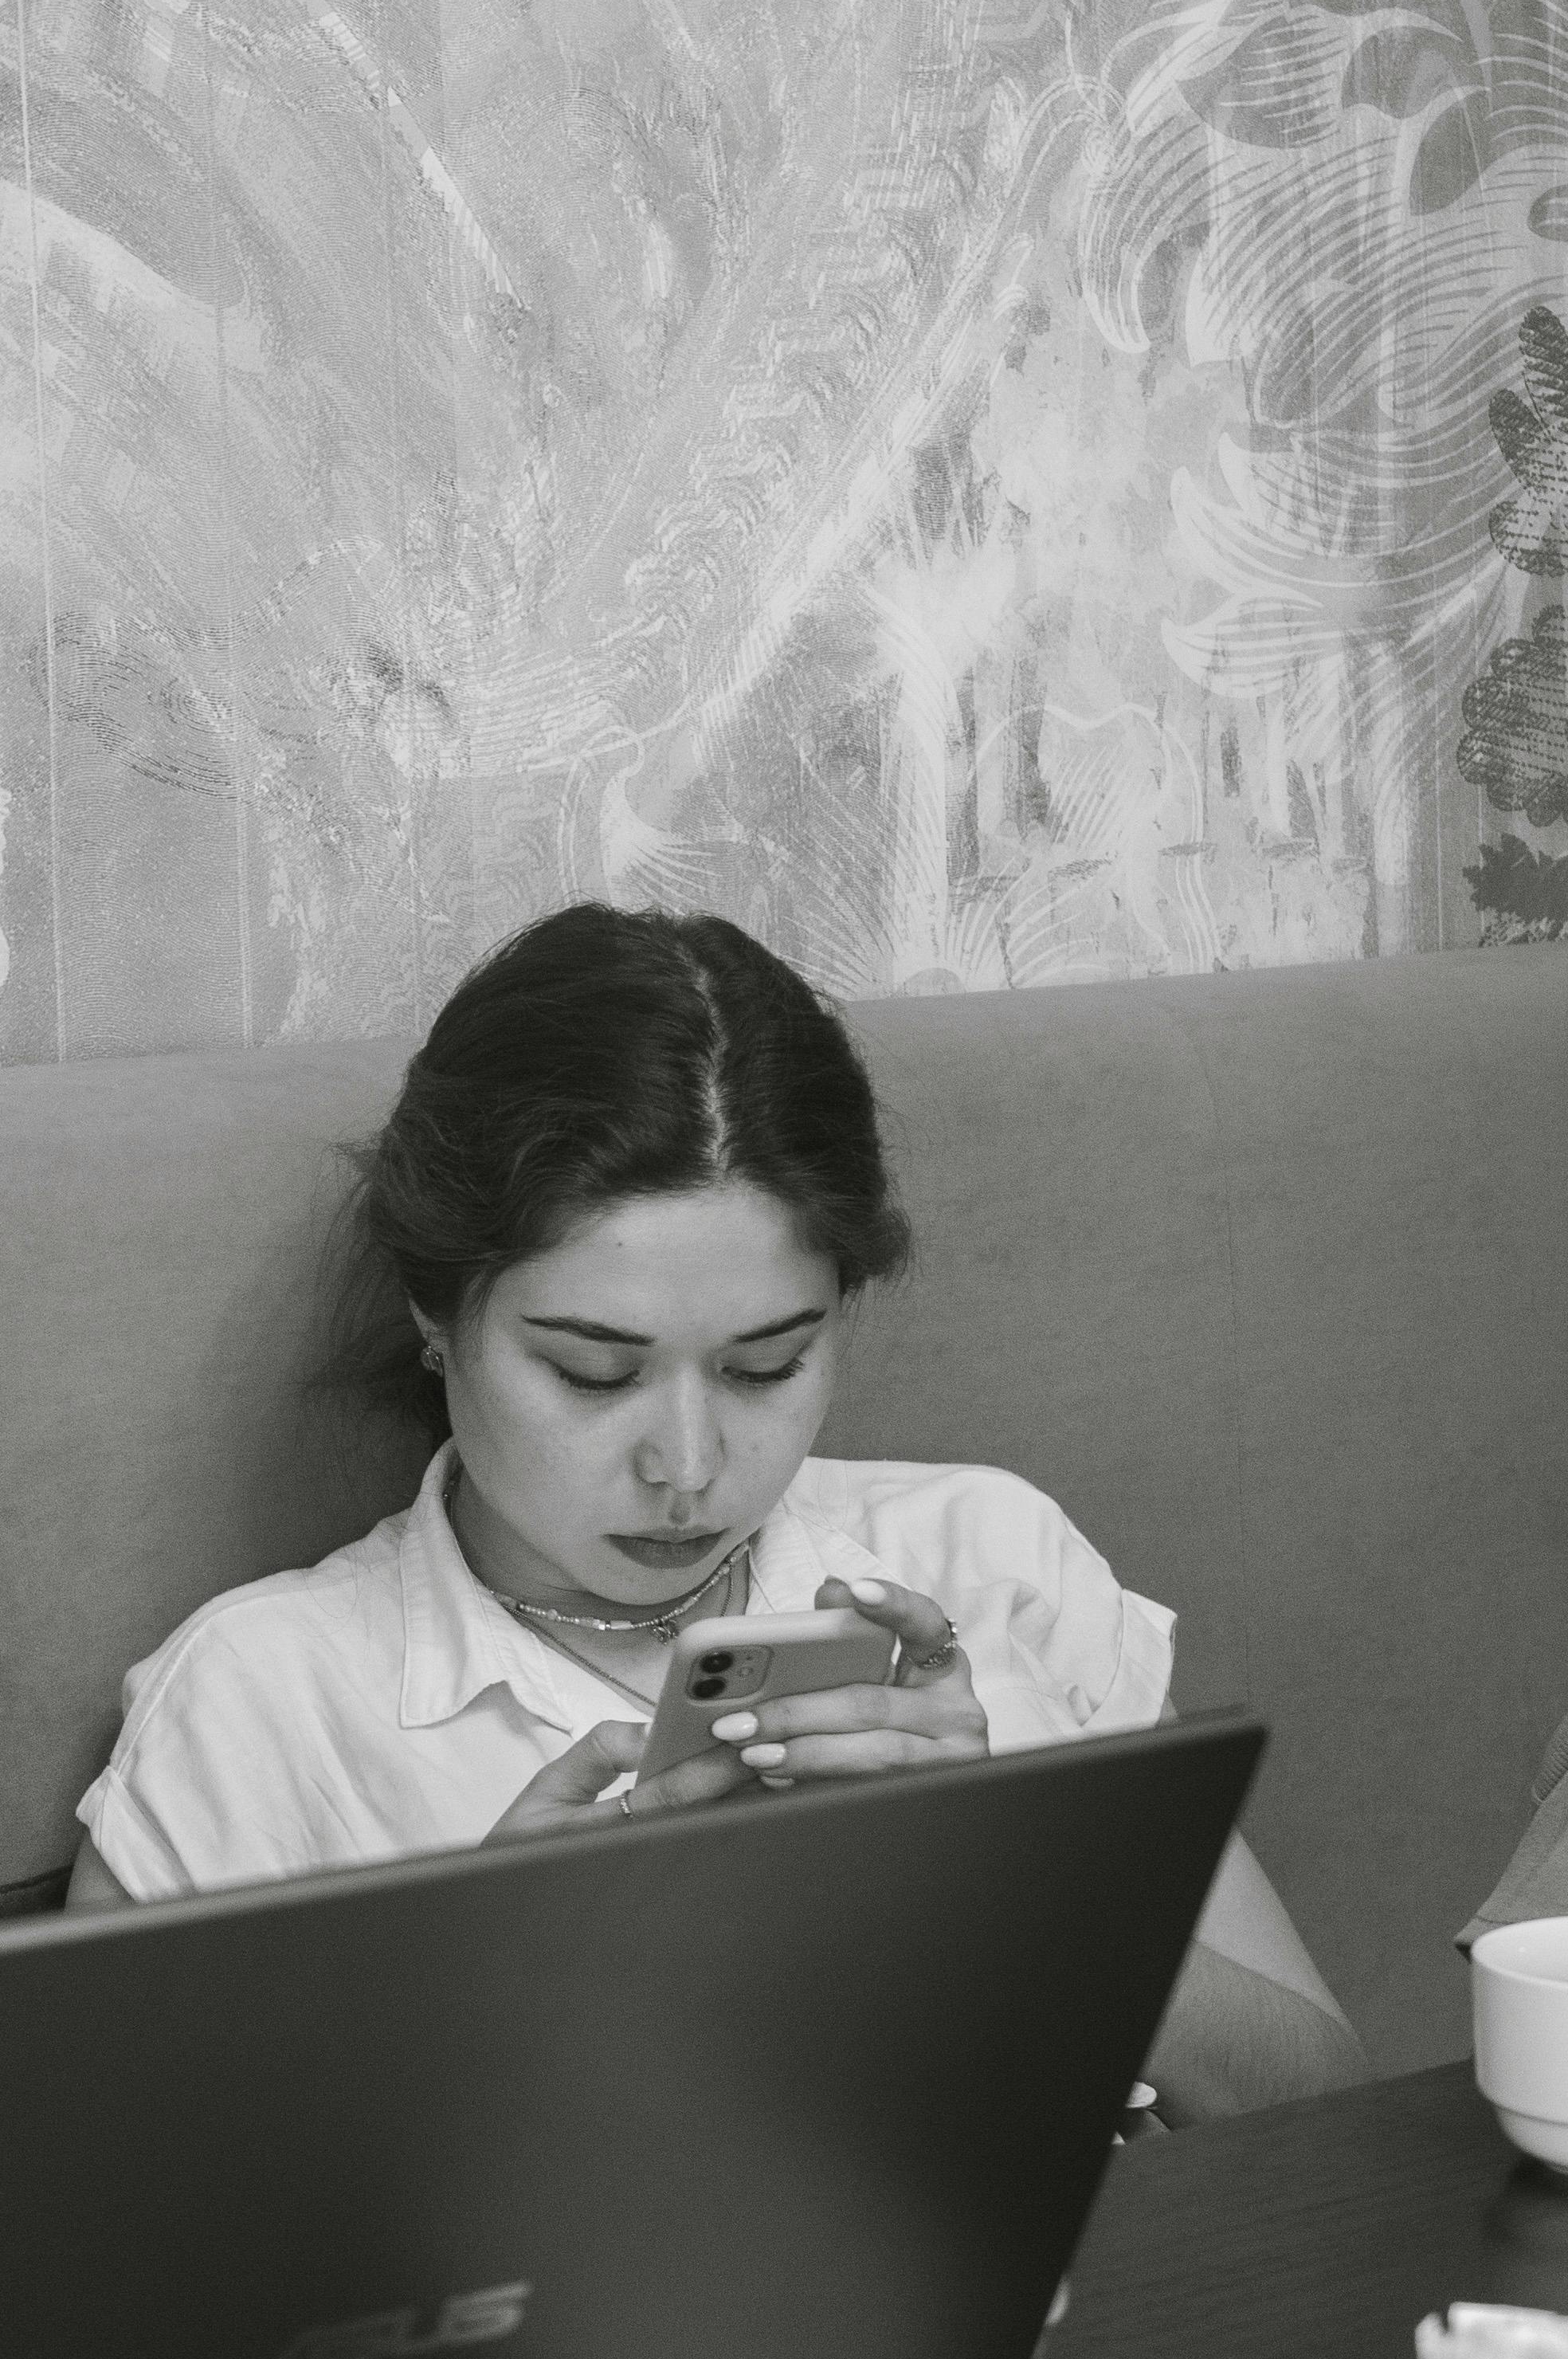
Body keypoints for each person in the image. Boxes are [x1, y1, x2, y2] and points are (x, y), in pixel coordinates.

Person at [65, 903, 1366, 2123]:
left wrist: (1006, 1876)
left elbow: (1316, 2102)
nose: (688, 1466)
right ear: (432, 1314)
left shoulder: (982, 1559)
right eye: (592, 1371)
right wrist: (477, 1991)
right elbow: (103, 2292)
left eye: (766, 1367)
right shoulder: (263, 1700)